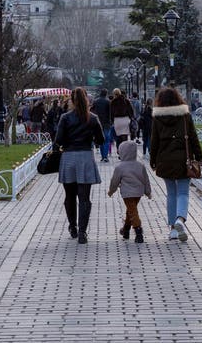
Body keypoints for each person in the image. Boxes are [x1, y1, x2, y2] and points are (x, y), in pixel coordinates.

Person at [150, 86, 202, 242]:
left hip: (165, 160)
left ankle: (173, 229)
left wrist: (153, 160)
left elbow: (154, 141)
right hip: (183, 160)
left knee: (171, 193)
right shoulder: (184, 115)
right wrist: (200, 157)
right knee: (183, 192)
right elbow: (193, 137)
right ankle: (180, 219)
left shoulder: (157, 117)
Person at [55, 87, 105, 244]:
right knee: (84, 197)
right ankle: (83, 232)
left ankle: (73, 226)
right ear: (86, 100)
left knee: (69, 196)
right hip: (85, 157)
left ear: (72, 100)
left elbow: (58, 140)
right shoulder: (93, 118)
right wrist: (91, 138)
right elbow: (101, 140)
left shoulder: (65, 118)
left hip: (69, 157)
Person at [108, 139, 151, 243]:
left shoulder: (120, 167)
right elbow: (146, 180)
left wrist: (111, 191)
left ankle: (138, 230)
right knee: (131, 210)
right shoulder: (140, 165)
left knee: (132, 211)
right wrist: (148, 192)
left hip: (127, 194)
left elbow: (114, 181)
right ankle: (126, 229)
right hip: (138, 193)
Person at [109, 88, 133, 153]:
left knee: (118, 137)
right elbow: (130, 110)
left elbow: (111, 113)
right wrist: (131, 118)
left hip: (117, 121)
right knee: (125, 137)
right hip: (125, 120)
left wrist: (112, 121)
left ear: (114, 94)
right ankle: (125, 151)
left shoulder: (113, 102)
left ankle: (119, 150)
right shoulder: (126, 100)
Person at [91, 89, 112, 162]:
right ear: (106, 94)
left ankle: (103, 156)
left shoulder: (96, 101)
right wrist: (111, 122)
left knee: (100, 140)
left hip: (98, 123)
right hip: (106, 123)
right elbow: (110, 113)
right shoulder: (108, 102)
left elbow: (92, 111)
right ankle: (105, 156)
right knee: (106, 140)